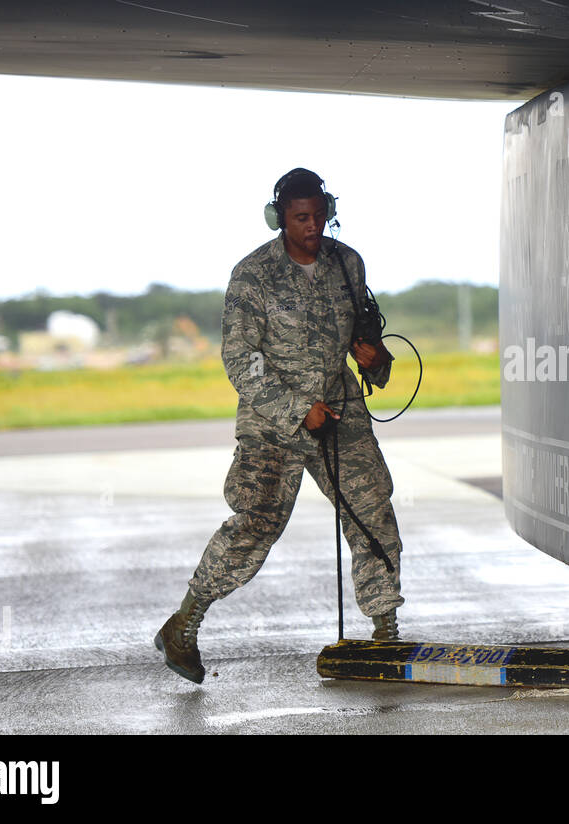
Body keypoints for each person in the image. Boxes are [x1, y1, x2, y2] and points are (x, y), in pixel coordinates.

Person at [155, 168, 403, 684]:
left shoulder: (347, 264)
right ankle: (184, 623)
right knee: (255, 525)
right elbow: (239, 359)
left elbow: (365, 335)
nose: (313, 226)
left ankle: (386, 635)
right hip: (274, 425)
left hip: (341, 414)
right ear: (280, 218)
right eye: (301, 218)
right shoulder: (253, 276)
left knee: (372, 514)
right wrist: (296, 408)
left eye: (319, 214)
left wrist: (375, 359)